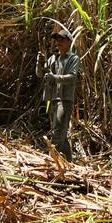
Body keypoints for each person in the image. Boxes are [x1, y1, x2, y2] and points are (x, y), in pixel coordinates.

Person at [42, 23, 80, 159]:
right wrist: (38, 63)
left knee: (58, 133)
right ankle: (69, 162)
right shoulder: (53, 58)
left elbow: (72, 77)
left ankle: (52, 161)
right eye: (57, 40)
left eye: (62, 40)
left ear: (69, 42)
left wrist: (55, 77)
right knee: (62, 134)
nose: (58, 43)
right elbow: (41, 74)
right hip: (54, 98)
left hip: (65, 100)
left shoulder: (73, 58)